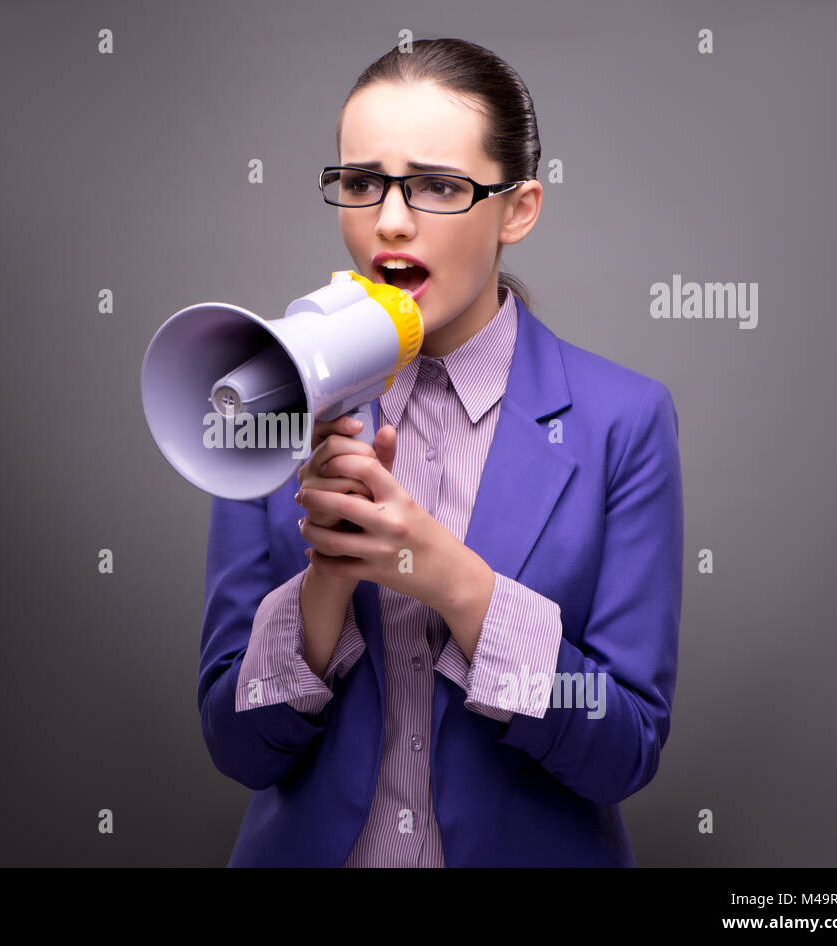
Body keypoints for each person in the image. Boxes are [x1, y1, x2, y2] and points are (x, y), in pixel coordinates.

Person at [197, 38, 683, 866]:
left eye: (437, 186)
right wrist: (326, 583)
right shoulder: (276, 396)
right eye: (361, 183)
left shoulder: (624, 421)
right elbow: (237, 748)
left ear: (518, 209)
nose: (389, 219)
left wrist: (447, 575)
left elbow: (623, 750)